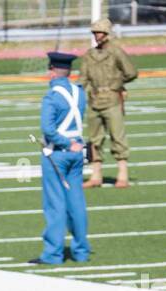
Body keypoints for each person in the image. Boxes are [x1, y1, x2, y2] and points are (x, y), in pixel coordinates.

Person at [29, 52, 89, 266]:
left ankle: (53, 254)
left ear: (52, 70)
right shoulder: (80, 92)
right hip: (77, 152)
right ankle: (81, 251)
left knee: (55, 204)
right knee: (77, 203)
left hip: (57, 153)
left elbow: (48, 128)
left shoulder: (53, 95)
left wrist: (64, 143)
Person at [79, 18, 137, 189]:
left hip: (112, 100)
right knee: (94, 139)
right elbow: (82, 78)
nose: (97, 35)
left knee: (117, 137)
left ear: (107, 33)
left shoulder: (116, 52)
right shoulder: (89, 55)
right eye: (95, 32)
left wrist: (117, 84)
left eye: (100, 32)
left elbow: (132, 72)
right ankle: (96, 175)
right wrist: (74, 93)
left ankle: (122, 175)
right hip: (94, 100)